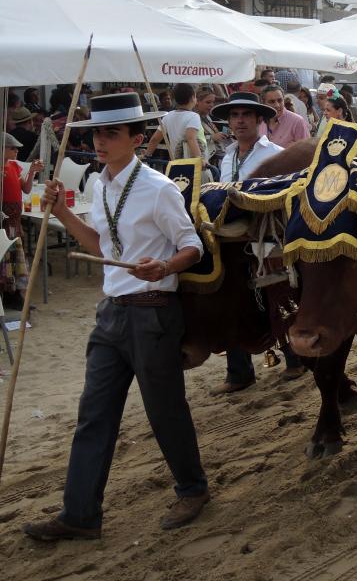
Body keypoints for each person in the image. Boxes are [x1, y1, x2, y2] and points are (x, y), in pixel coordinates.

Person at [22, 93, 208, 541]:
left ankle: (193, 488)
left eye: (110, 133)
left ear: (136, 138)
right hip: (111, 314)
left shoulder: (159, 188)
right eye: (95, 134)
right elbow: (102, 249)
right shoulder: (99, 184)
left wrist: (164, 266)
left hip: (154, 313)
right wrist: (62, 211)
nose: (99, 142)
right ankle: (80, 513)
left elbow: (193, 246)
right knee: (94, 414)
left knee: (164, 410)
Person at [210, 92, 288, 392]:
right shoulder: (227, 154)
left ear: (259, 119)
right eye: (234, 116)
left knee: (277, 297)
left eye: (245, 115)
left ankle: (294, 359)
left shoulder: (275, 154)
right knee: (234, 302)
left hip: (267, 238)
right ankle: (239, 372)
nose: (239, 121)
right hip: (232, 241)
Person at [3, 134, 40, 307]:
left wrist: (31, 172)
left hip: (14, 220)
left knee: (16, 258)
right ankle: (9, 296)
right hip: (4, 220)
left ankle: (16, 295)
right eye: (12, 148)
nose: (17, 151)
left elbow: (25, 189)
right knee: (7, 258)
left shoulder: (14, 166)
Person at [143, 83, 204, 161]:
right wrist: (200, 158)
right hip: (191, 163)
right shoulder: (193, 116)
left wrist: (147, 154)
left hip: (176, 161)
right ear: (192, 98)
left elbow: (155, 139)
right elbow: (191, 138)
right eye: (195, 96)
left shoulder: (168, 116)